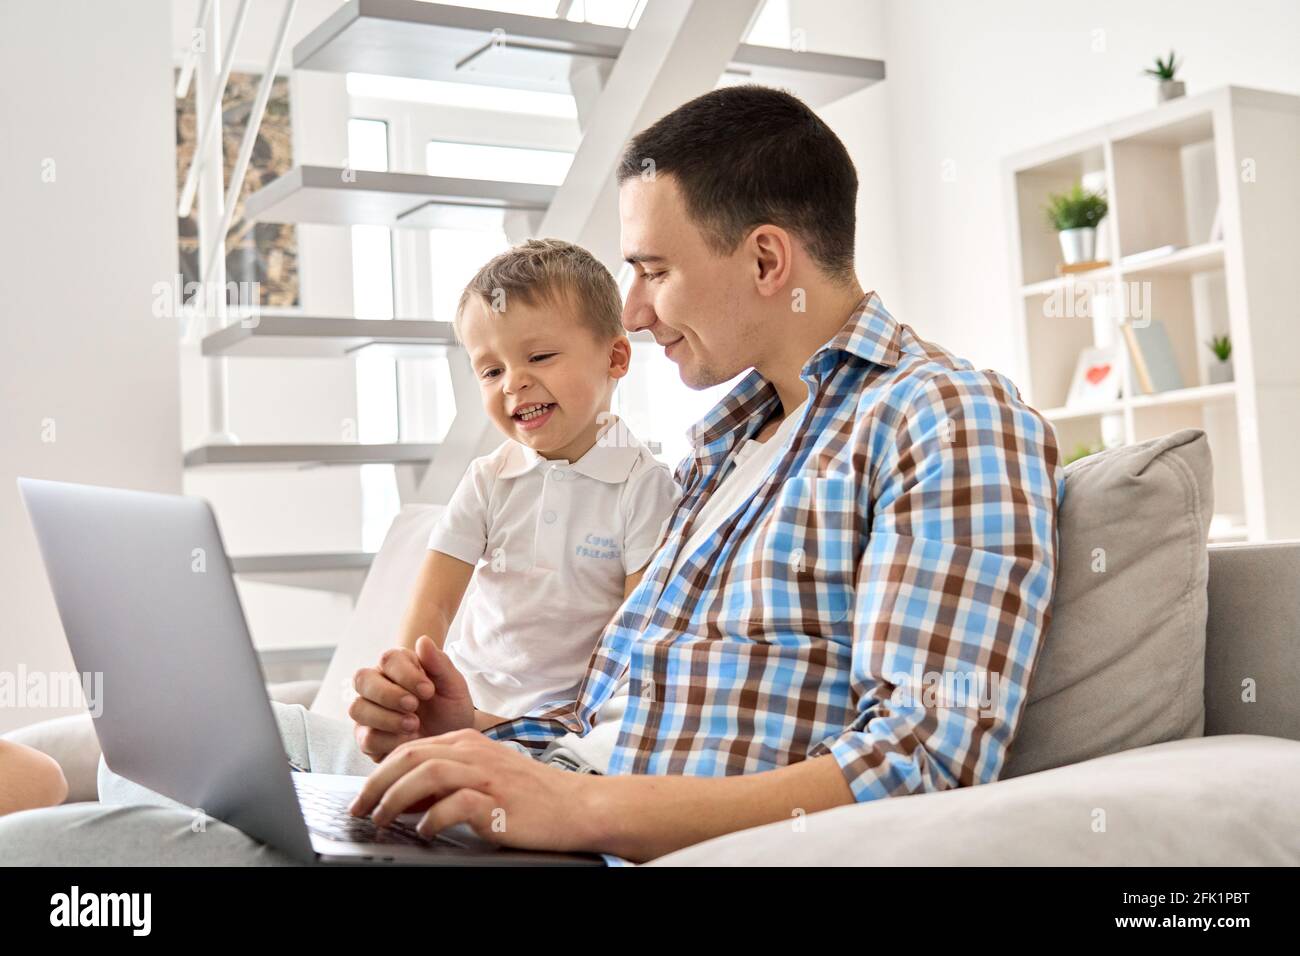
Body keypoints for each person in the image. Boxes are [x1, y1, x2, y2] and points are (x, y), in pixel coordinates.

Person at [0, 85, 1063, 866]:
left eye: (651, 269)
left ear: (768, 260)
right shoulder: (728, 441)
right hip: (544, 786)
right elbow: (615, 707)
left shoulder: (941, 416)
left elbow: (920, 758)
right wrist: (469, 735)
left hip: (583, 835)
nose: (633, 311)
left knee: (104, 852)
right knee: (170, 743)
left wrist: (576, 809)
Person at [390, 238, 676, 724]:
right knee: (291, 730)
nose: (512, 383)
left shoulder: (643, 486)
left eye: (540, 357)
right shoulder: (488, 479)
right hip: (465, 705)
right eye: (491, 370)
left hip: (562, 727)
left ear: (616, 359)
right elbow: (434, 604)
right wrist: (407, 690)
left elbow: (636, 639)